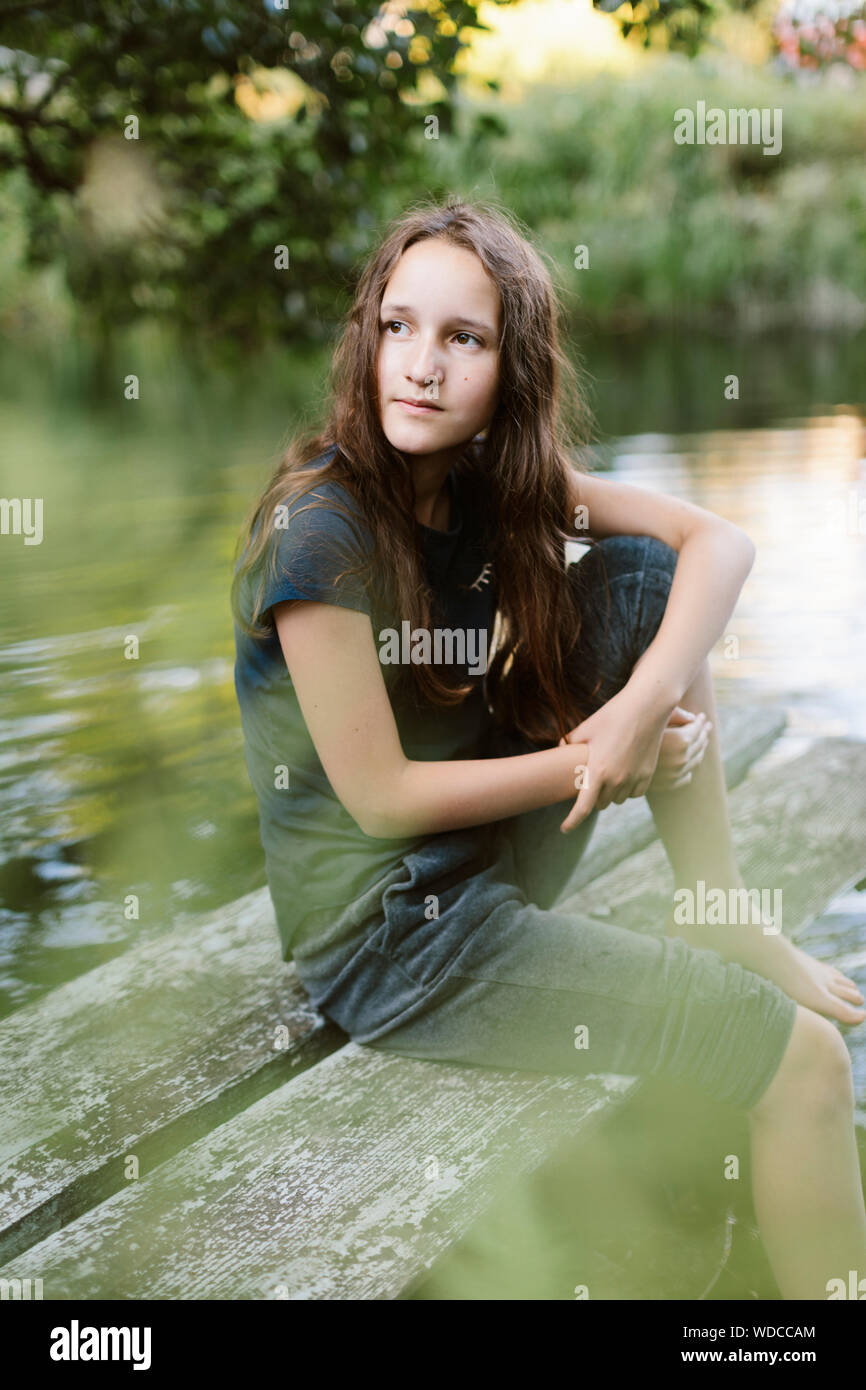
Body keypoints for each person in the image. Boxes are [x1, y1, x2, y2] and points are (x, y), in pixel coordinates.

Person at [231, 197, 866, 1300]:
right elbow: (379, 798)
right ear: (367, 337)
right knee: (802, 1057)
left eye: (461, 338)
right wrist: (593, 764)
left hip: (481, 858)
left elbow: (716, 543)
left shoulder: (488, 484)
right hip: (387, 941)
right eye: (399, 327)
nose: (419, 366)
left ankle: (714, 906)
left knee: (640, 584)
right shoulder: (317, 533)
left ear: (507, 373)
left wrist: (634, 713)